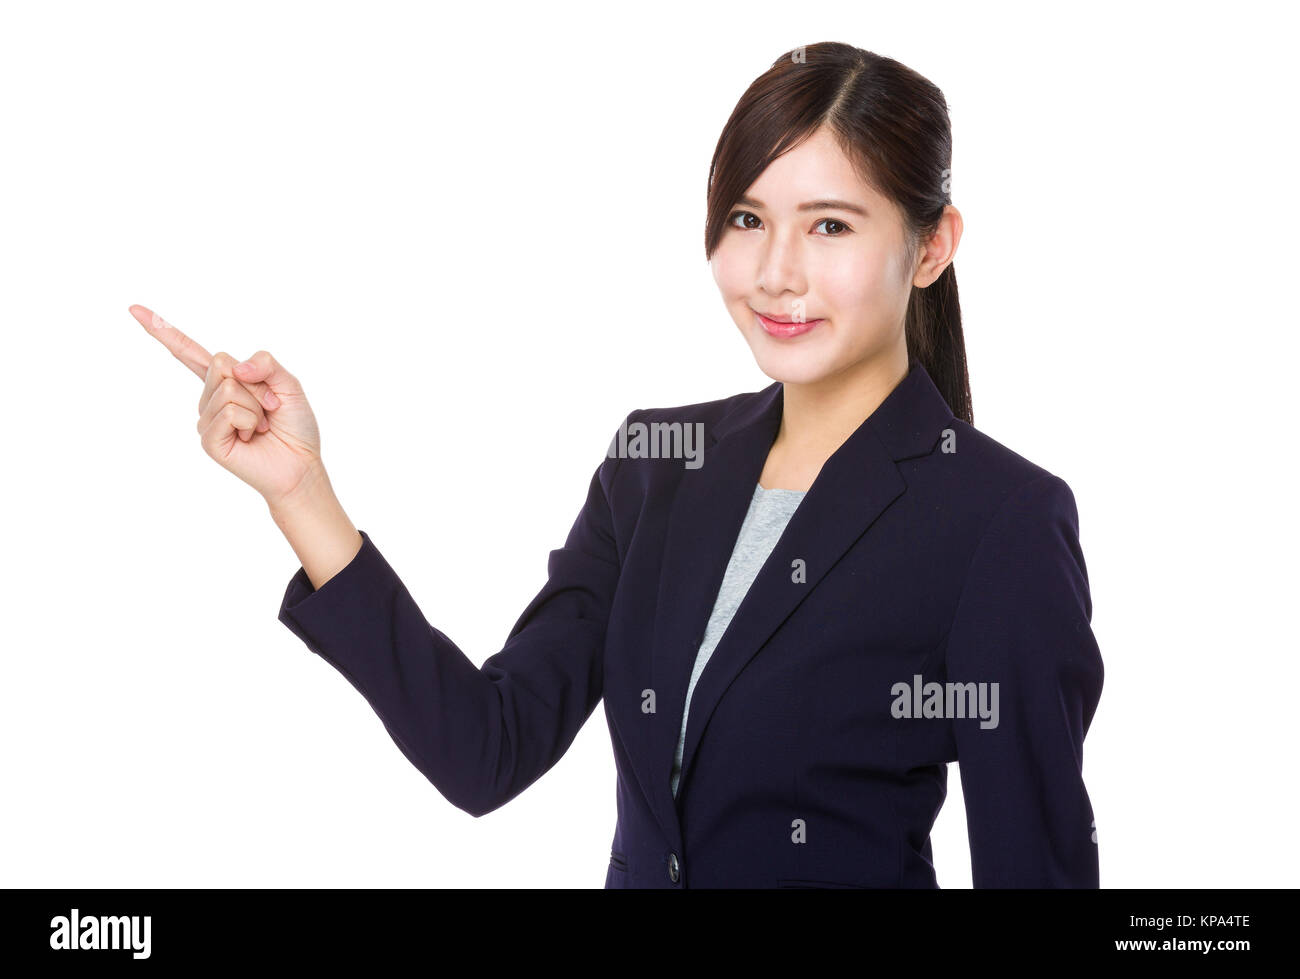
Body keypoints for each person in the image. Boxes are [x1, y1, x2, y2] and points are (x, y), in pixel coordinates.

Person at [133, 41, 1103, 888]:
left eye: (831, 225)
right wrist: (303, 493)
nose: (776, 273)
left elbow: (1036, 870)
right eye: (747, 219)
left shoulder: (996, 520)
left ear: (932, 246)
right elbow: (486, 749)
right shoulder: (657, 465)